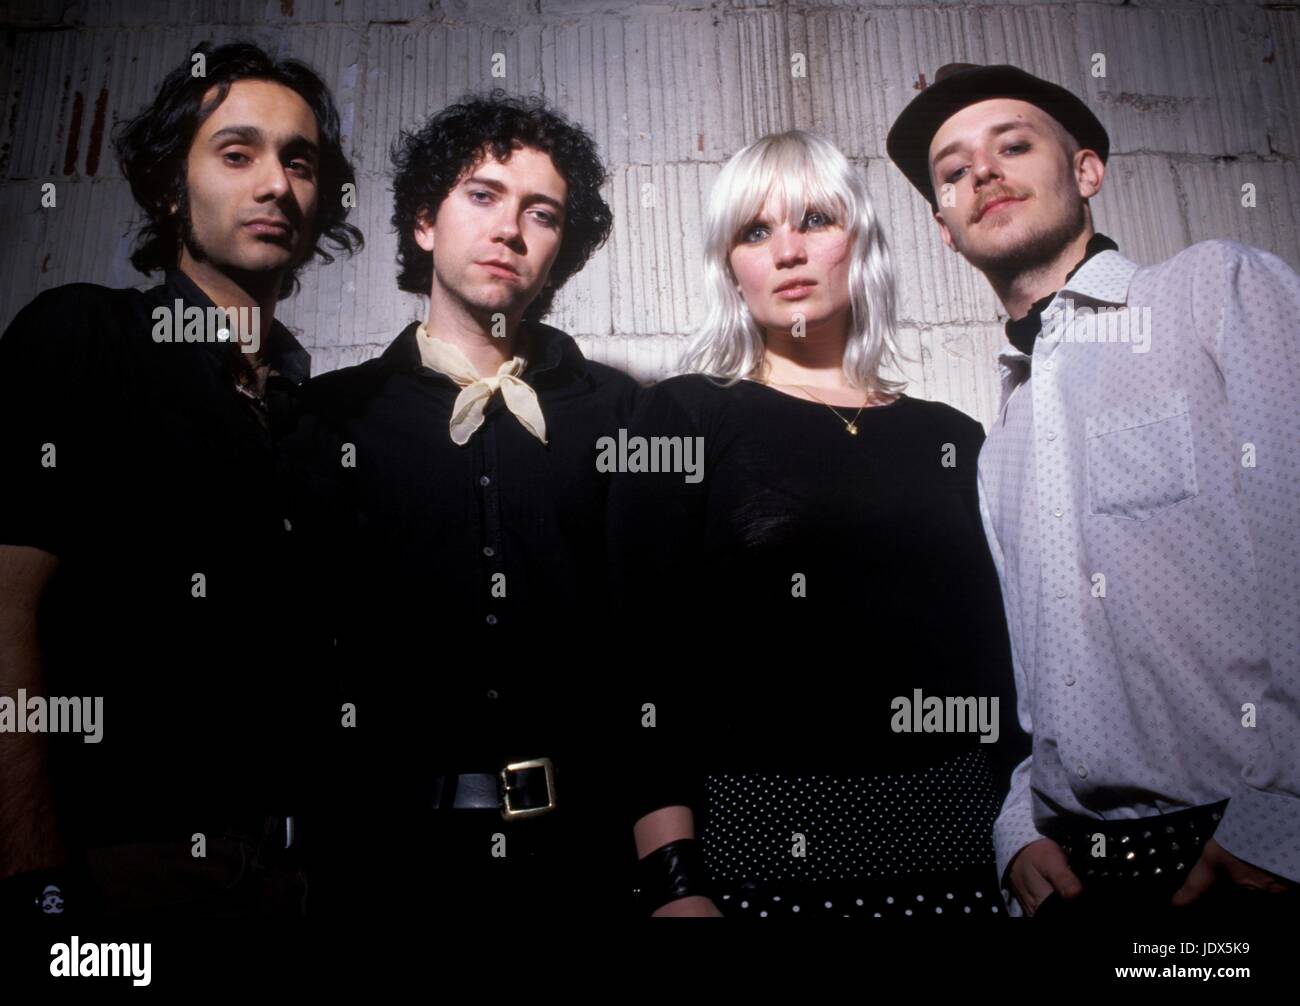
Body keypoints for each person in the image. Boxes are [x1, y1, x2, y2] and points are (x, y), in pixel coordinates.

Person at [886, 62, 1300, 919]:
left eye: (1013, 145)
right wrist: (1016, 826)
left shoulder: (1214, 291)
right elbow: (1038, 679)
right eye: (954, 171)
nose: (983, 174)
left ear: (1085, 173)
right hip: (1077, 875)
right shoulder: (1002, 437)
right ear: (945, 229)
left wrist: (1282, 823)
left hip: (1245, 851)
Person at [616, 130, 1025, 918]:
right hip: (759, 861)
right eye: (756, 231)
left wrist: (1026, 828)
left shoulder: (953, 436)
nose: (789, 251)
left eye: (815, 220)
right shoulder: (680, 418)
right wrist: (673, 880)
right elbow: (642, 663)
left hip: (965, 852)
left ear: (860, 243)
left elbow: (999, 666)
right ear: (731, 269)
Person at [0, 40, 362, 918]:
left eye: (299, 162)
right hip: (126, 879)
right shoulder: (83, 337)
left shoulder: (316, 417)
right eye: (236, 154)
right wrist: (35, 886)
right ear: (171, 186)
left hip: (304, 888)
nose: (275, 183)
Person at [282, 91, 639, 917]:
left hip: (585, 864)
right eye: (482, 196)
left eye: (541, 213)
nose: (510, 229)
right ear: (424, 222)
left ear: (561, 249)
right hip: (382, 871)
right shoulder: (328, 417)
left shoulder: (622, 415)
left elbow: (645, 654)